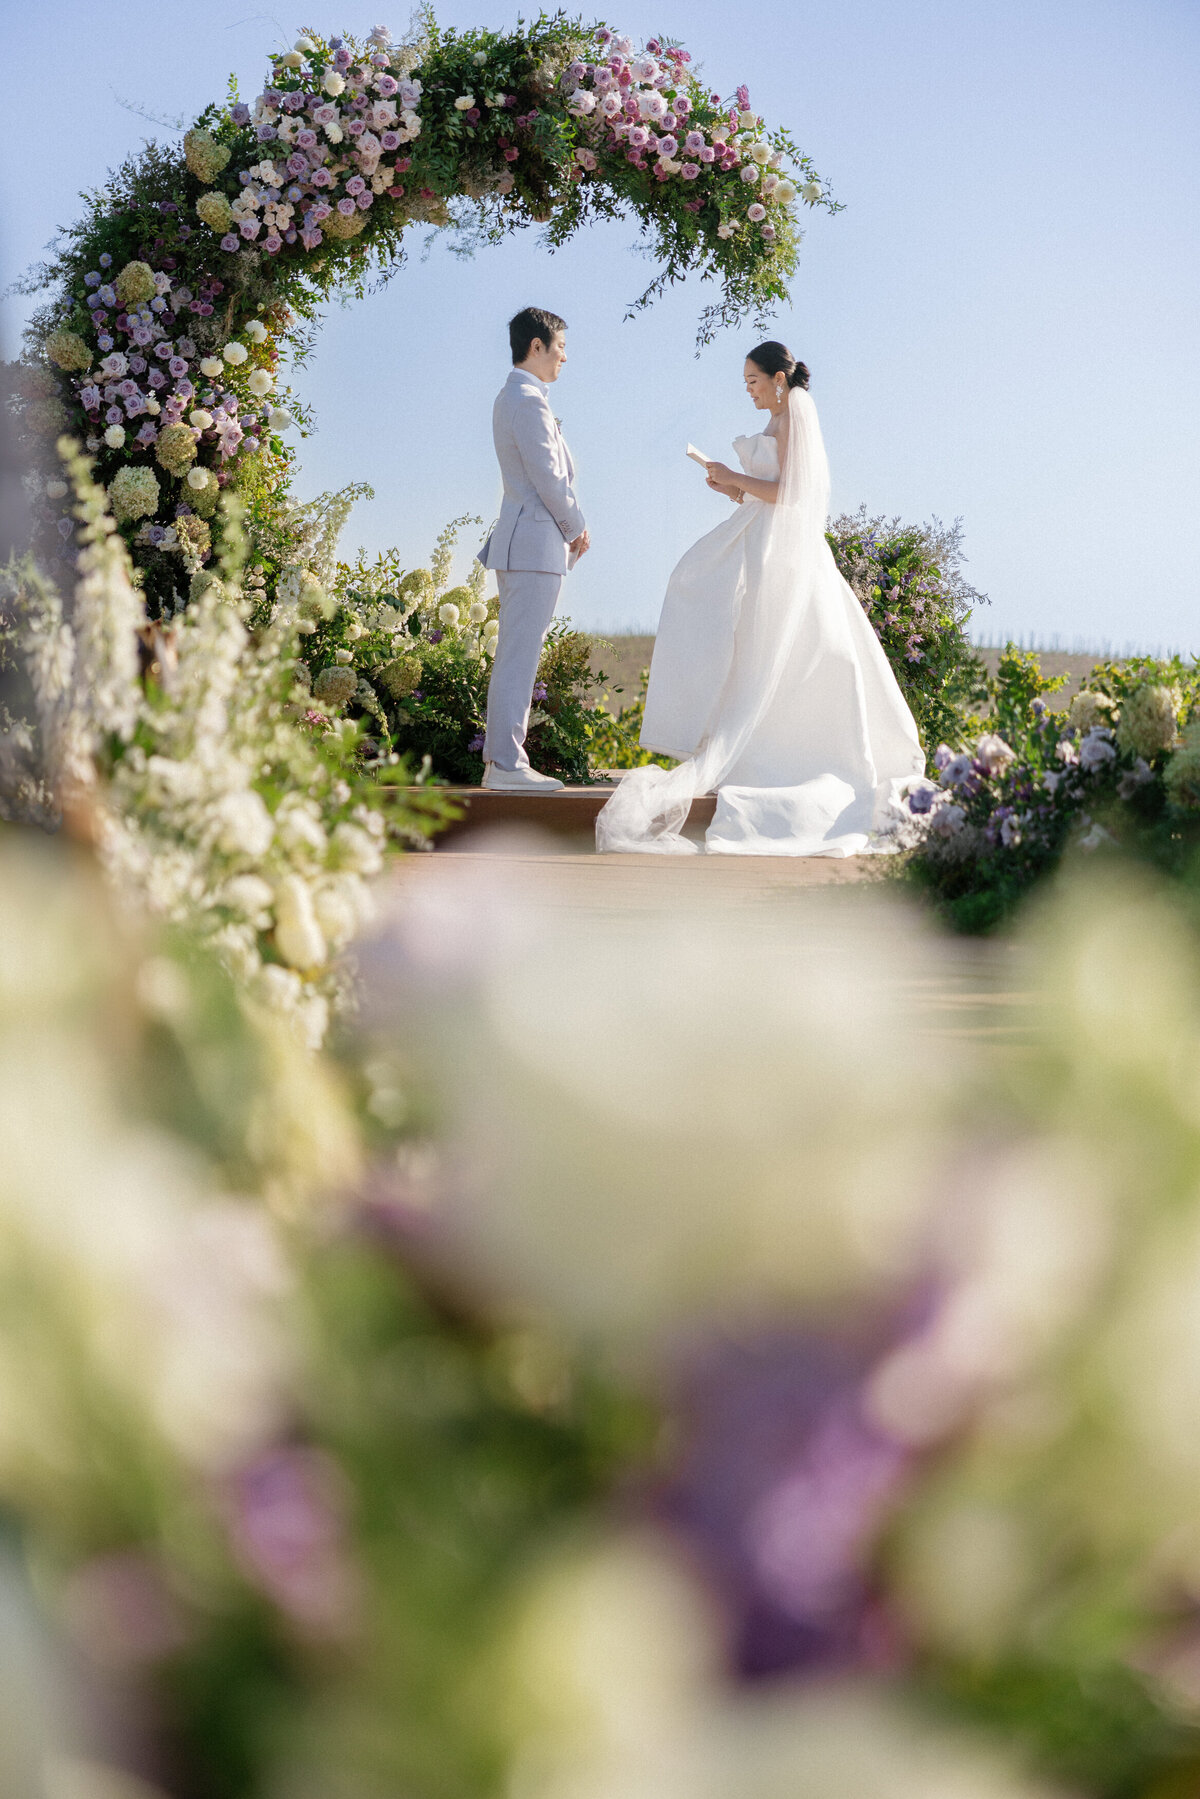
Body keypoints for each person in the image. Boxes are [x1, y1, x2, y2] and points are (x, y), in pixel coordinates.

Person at [595, 344, 925, 854]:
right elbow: (772, 490)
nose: (747, 389)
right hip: (766, 544)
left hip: (786, 554)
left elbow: (794, 493)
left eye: (752, 380)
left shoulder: (794, 414)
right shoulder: (781, 417)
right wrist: (732, 488)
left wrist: (736, 477)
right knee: (741, 631)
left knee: (787, 647)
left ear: (777, 378)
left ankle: (779, 756)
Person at [477, 307, 589, 792]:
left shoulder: (518, 396)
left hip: (526, 541)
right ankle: (505, 764)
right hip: (534, 542)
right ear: (537, 346)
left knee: (518, 651)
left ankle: (503, 761)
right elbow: (547, 475)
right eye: (560, 346)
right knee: (520, 654)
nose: (565, 356)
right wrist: (576, 526)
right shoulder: (527, 399)